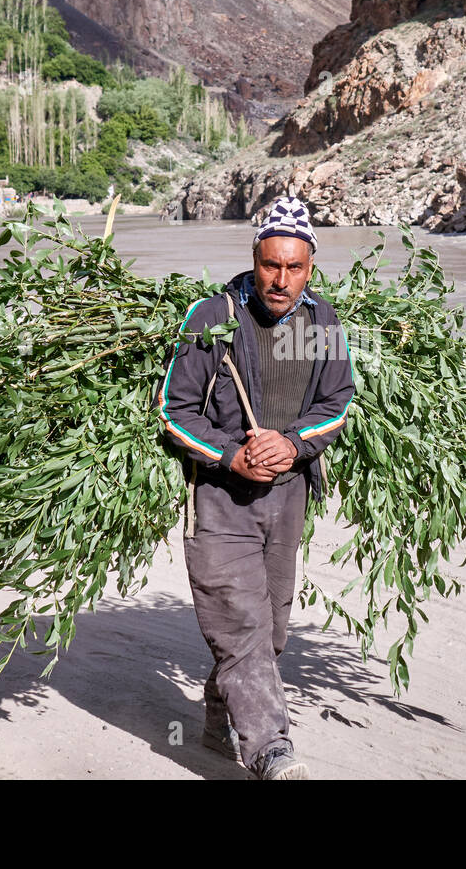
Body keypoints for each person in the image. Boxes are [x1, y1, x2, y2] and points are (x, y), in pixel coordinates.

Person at [156, 195, 355, 779]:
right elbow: (173, 411)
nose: (281, 280)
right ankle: (271, 751)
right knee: (239, 625)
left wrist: (294, 444)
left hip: (287, 500)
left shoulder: (323, 323)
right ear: (254, 258)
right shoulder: (210, 318)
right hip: (218, 499)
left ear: (310, 268)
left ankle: (221, 727)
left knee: (270, 630)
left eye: (294, 268)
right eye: (272, 265)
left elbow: (336, 404)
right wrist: (228, 455)